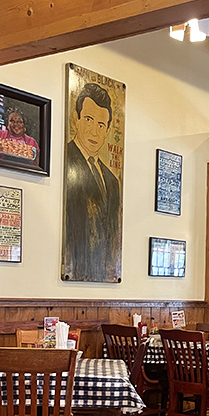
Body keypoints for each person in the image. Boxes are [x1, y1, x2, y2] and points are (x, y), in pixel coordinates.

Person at [63, 82, 121, 282]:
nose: (95, 132)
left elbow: (113, 235)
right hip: (75, 269)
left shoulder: (112, 182)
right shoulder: (65, 161)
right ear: (76, 119)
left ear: (107, 131)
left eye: (101, 125)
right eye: (89, 119)